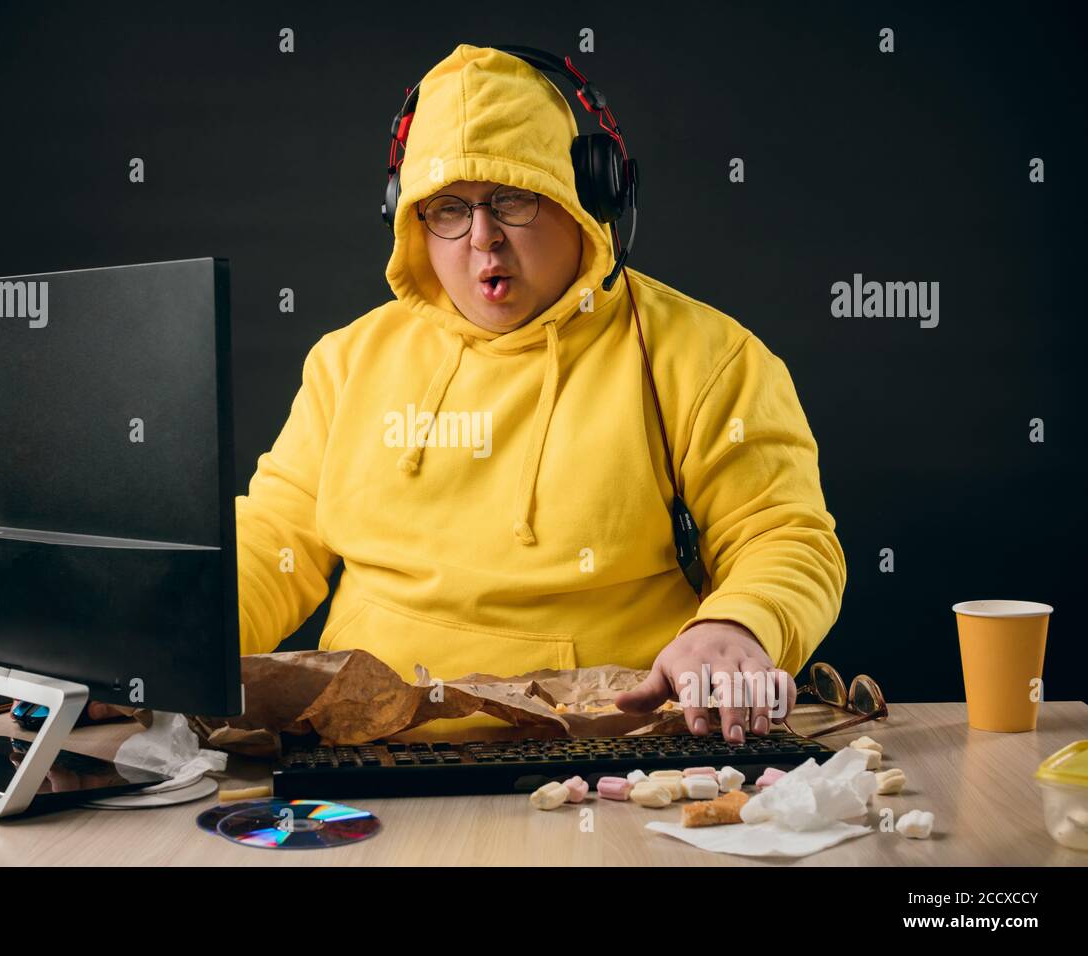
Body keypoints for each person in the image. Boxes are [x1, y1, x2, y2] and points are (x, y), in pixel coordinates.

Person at [235, 44, 847, 741]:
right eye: (448, 208)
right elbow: (273, 539)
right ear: (409, 220)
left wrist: (736, 623)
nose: (483, 238)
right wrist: (162, 646)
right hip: (365, 756)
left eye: (513, 198)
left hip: (608, 757)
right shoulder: (347, 362)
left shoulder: (707, 358)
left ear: (587, 197)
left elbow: (784, 536)